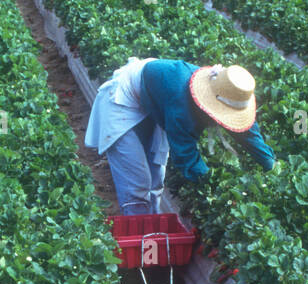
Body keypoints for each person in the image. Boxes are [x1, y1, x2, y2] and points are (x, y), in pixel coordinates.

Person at [85, 60, 275, 215]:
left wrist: (269, 162)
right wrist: (214, 190)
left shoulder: (224, 89)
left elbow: (245, 130)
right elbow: (186, 157)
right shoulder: (182, 106)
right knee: (137, 184)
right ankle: (142, 249)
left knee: (156, 179)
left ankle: (154, 237)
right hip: (124, 100)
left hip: (156, 101)